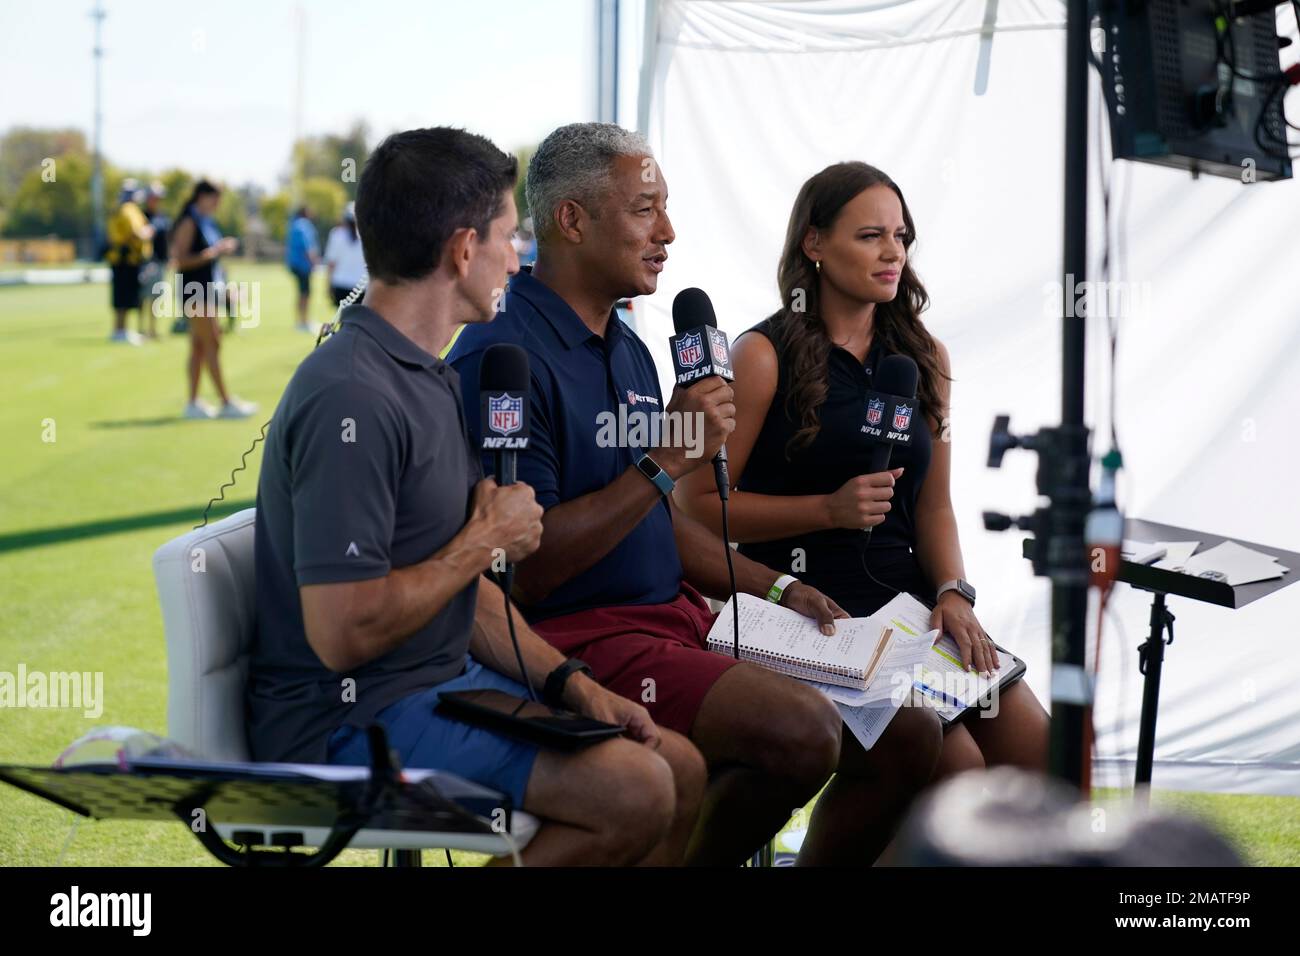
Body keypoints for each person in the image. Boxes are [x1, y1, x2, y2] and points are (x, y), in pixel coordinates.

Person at [449, 124, 943, 867]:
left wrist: (778, 586)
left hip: (676, 621)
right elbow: (525, 571)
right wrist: (663, 461)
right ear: (572, 220)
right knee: (802, 735)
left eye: (667, 208)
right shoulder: (504, 356)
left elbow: (648, 523)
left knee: (908, 730)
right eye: (646, 209)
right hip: (580, 639)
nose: (669, 232)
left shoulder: (626, 344)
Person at [247, 127, 705, 866]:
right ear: (463, 252)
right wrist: (481, 544)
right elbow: (342, 632)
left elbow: (474, 600)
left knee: (677, 768)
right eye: (505, 237)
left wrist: (575, 685)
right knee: (639, 789)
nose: (518, 257)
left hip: (438, 686)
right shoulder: (352, 397)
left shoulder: (424, 376)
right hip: (347, 721)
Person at [674, 161, 1050, 780]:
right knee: (951, 764)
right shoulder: (763, 354)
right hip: (813, 615)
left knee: (1043, 755)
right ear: (814, 243)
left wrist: (954, 594)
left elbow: (933, 505)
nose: (892, 252)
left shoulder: (926, 357)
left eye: (900, 236)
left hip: (915, 614)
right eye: (870, 235)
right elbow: (697, 504)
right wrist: (826, 510)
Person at [170, 180, 257, 419]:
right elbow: (181, 259)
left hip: (207, 289)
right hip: (195, 290)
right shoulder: (189, 220)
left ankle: (193, 403)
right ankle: (225, 401)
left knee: (199, 346)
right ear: (202, 196)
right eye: (215, 198)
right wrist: (215, 252)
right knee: (212, 343)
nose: (218, 204)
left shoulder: (204, 220)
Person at [104, 179, 153, 344]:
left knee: (123, 296)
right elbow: (136, 233)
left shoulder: (122, 209)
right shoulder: (128, 210)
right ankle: (120, 331)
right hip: (126, 259)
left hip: (123, 259)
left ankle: (121, 330)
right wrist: (148, 232)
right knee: (124, 297)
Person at [140, 182, 170, 339]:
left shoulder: (162, 216)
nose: (156, 200)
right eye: (154, 197)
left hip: (160, 262)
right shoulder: (142, 215)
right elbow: (146, 233)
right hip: (148, 262)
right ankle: (141, 329)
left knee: (156, 297)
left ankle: (152, 329)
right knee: (144, 296)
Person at [322, 202, 366, 305]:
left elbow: (331, 263)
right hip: (360, 287)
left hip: (340, 284)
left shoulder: (336, 235)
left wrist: (328, 285)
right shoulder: (366, 236)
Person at [285, 205, 319, 331]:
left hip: (295, 264)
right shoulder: (304, 225)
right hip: (303, 265)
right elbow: (308, 247)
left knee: (301, 293)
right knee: (305, 293)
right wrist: (314, 262)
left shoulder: (294, 224)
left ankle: (301, 320)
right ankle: (304, 321)